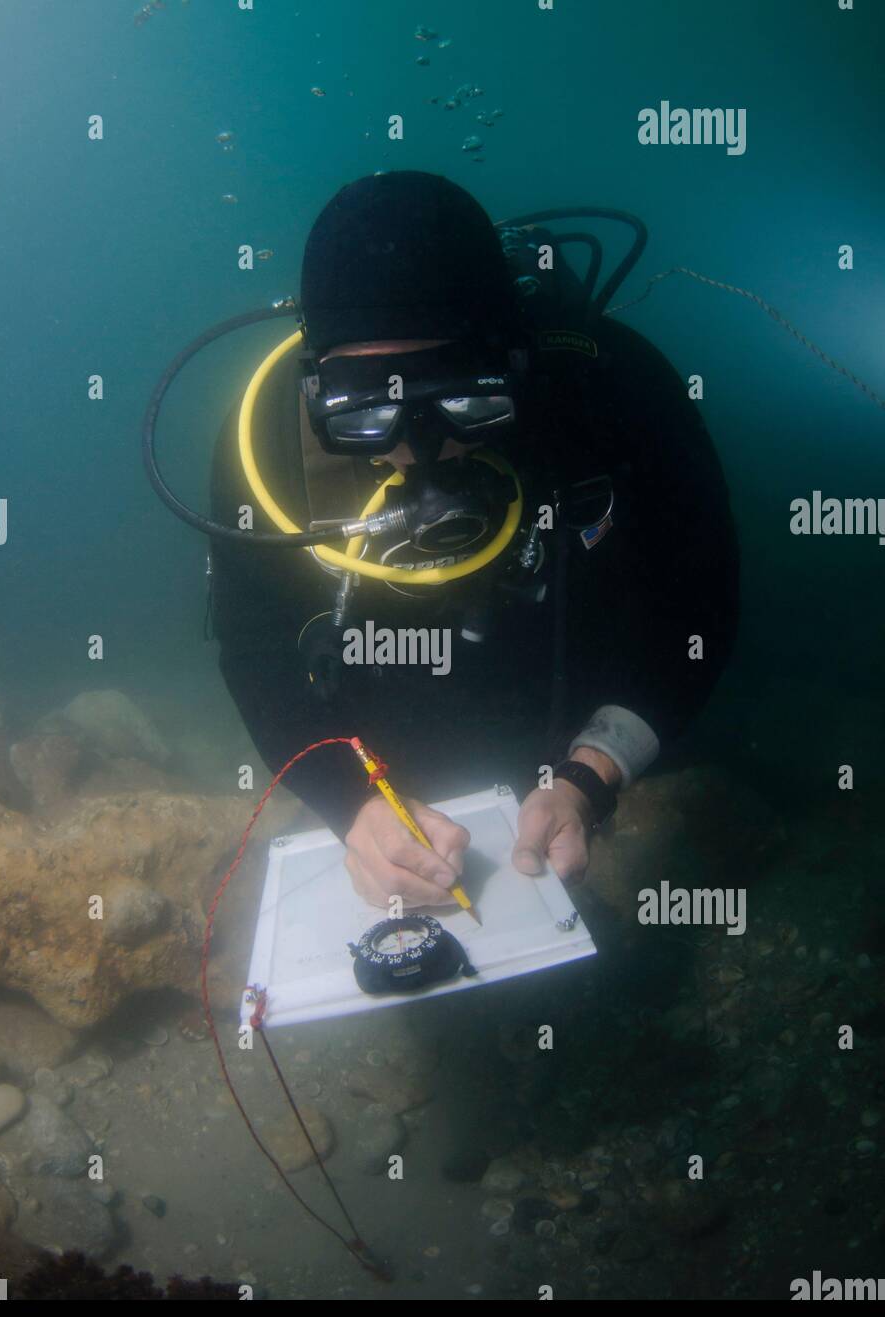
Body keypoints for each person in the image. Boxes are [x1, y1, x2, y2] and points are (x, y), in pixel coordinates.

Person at [208, 171, 739, 912]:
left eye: (464, 400)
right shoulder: (265, 442)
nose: (415, 452)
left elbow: (700, 605)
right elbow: (252, 645)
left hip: (572, 692)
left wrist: (592, 773)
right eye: (365, 415)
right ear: (313, 392)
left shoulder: (612, 391)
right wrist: (349, 806)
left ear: (514, 361)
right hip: (395, 730)